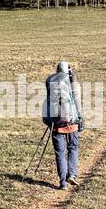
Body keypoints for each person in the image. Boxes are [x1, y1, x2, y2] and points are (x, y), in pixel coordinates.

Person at [41, 59, 82, 190]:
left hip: (56, 124)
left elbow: (47, 103)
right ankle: (72, 175)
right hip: (72, 123)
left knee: (60, 152)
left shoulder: (50, 81)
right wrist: (81, 120)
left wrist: (48, 122)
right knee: (73, 148)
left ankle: (63, 182)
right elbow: (77, 103)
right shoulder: (71, 82)